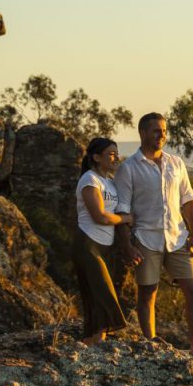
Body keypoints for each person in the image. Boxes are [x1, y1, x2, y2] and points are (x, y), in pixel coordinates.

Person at [111, 111, 193, 349]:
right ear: (142, 133)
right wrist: (127, 246)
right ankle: (150, 343)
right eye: (156, 130)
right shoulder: (128, 168)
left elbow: (188, 200)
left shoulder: (176, 163)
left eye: (164, 130)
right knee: (148, 292)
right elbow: (122, 210)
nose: (161, 135)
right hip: (146, 238)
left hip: (178, 237)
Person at [73, 136, 131, 340]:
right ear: (96, 157)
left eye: (117, 153)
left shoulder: (111, 183)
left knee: (96, 294)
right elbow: (99, 216)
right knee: (102, 291)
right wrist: (125, 218)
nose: (116, 158)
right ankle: (96, 339)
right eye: (111, 154)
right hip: (88, 243)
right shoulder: (90, 180)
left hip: (105, 246)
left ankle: (96, 338)